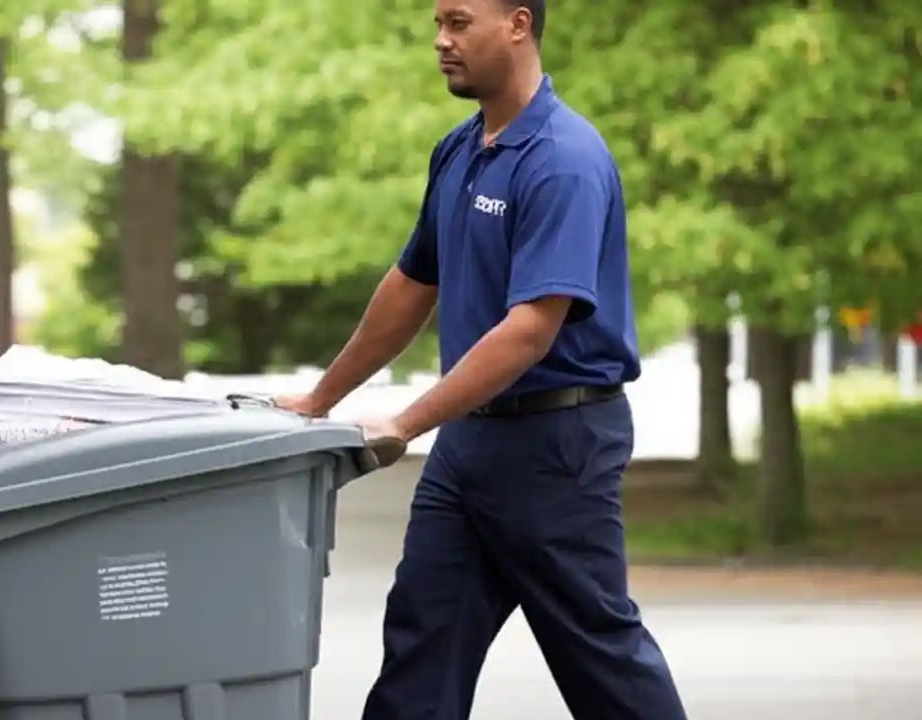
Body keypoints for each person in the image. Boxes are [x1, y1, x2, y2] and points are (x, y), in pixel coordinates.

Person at [273, 1, 689, 718]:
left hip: (557, 448)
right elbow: (410, 286)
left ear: (519, 24)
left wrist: (405, 421)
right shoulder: (460, 150)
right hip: (470, 446)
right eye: (438, 23)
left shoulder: (564, 160)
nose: (441, 41)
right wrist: (321, 399)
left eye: (459, 22)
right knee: (421, 649)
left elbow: (530, 330)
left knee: (602, 661)